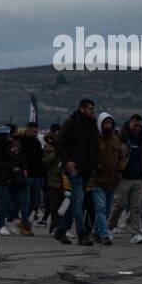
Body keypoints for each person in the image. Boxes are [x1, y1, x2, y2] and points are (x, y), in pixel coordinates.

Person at [55, 98, 99, 245]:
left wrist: (95, 166)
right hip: (74, 169)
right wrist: (66, 161)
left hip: (87, 169)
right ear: (82, 109)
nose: (93, 111)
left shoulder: (92, 125)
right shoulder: (71, 123)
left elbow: (94, 147)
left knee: (76, 200)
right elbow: (59, 143)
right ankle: (82, 234)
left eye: (93, 108)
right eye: (90, 108)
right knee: (79, 201)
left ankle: (61, 230)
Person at [108, 113, 142, 243]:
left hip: (139, 178)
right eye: (135, 124)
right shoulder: (121, 137)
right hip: (123, 177)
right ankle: (109, 228)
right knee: (118, 205)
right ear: (130, 122)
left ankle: (135, 233)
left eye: (139, 125)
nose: (137, 127)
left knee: (136, 207)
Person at [91, 112, 127, 245]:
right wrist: (97, 166)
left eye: (110, 123)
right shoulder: (95, 140)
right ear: (100, 124)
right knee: (100, 209)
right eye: (105, 123)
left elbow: (121, 156)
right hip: (98, 180)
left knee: (106, 211)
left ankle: (95, 232)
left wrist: (120, 167)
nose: (108, 125)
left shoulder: (116, 140)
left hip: (112, 181)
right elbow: (91, 156)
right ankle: (104, 234)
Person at [41, 126, 66, 238]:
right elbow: (45, 162)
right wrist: (55, 152)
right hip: (53, 181)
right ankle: (54, 227)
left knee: (64, 206)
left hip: (64, 180)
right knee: (54, 206)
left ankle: (62, 227)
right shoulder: (49, 147)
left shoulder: (65, 146)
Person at [19, 122, 44, 225]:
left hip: (37, 175)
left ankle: (25, 220)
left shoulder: (37, 142)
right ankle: (24, 222)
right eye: (33, 131)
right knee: (27, 200)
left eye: (36, 132)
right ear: (28, 129)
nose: (35, 133)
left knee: (34, 201)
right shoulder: (22, 141)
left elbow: (40, 158)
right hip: (27, 175)